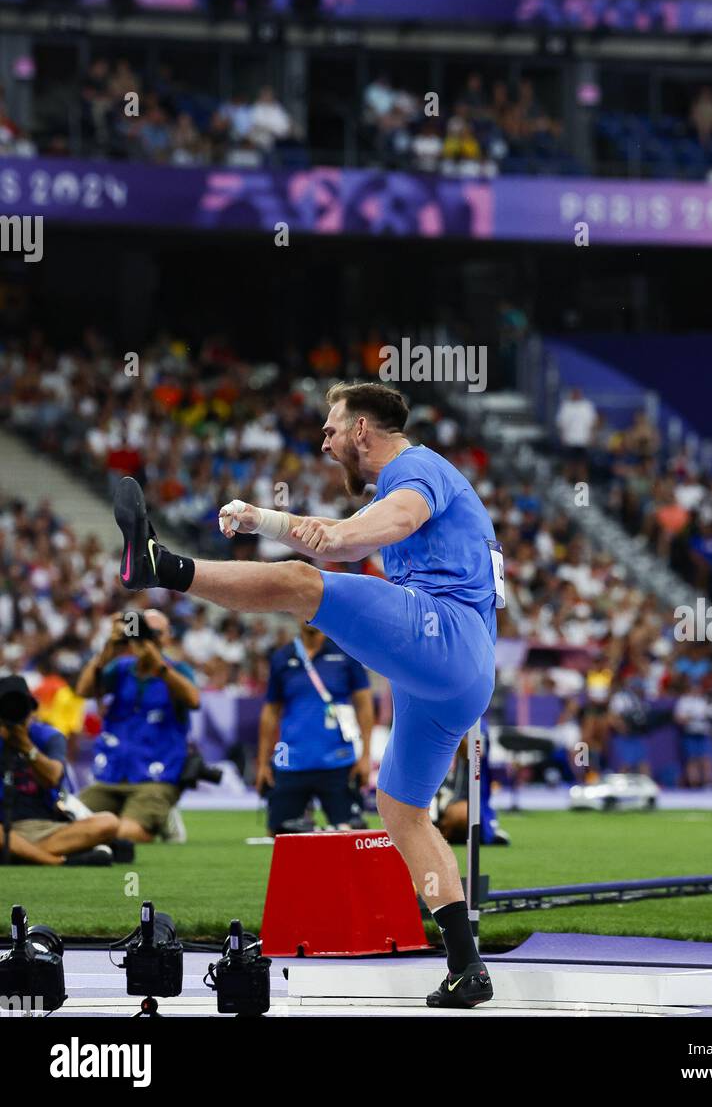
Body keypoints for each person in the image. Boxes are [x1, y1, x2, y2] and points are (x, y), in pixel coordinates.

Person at [114, 381, 501, 1008]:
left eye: (331, 426)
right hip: (452, 674)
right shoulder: (406, 481)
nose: (322, 438)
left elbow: (344, 543)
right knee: (402, 809)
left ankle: (160, 566)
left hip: (448, 635)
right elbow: (347, 540)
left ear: (362, 431)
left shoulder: (415, 469)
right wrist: (260, 521)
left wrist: (264, 518)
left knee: (302, 585)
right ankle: (468, 967)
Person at [76, 608, 200, 844]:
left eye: (155, 633)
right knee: (69, 824)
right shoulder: (121, 669)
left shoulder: (178, 671)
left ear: (168, 637)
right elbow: (83, 690)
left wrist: (158, 664)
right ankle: (143, 815)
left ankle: (160, 815)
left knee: (125, 834)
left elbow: (194, 700)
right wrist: (108, 649)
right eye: (144, 632)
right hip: (113, 776)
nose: (149, 638)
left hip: (155, 777)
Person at [256, 622, 373, 834]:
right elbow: (270, 712)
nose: (308, 616)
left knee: (351, 830)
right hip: (291, 761)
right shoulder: (282, 657)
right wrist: (263, 763)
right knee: (280, 833)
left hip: (338, 761)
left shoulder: (346, 653)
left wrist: (366, 756)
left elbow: (364, 704)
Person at [0, 675, 119, 867]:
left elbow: (53, 778)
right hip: (3, 826)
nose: (14, 715)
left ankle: (18, 854)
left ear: (31, 710)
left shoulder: (48, 736)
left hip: (47, 827)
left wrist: (27, 747)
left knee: (109, 822)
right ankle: (57, 860)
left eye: (19, 708)